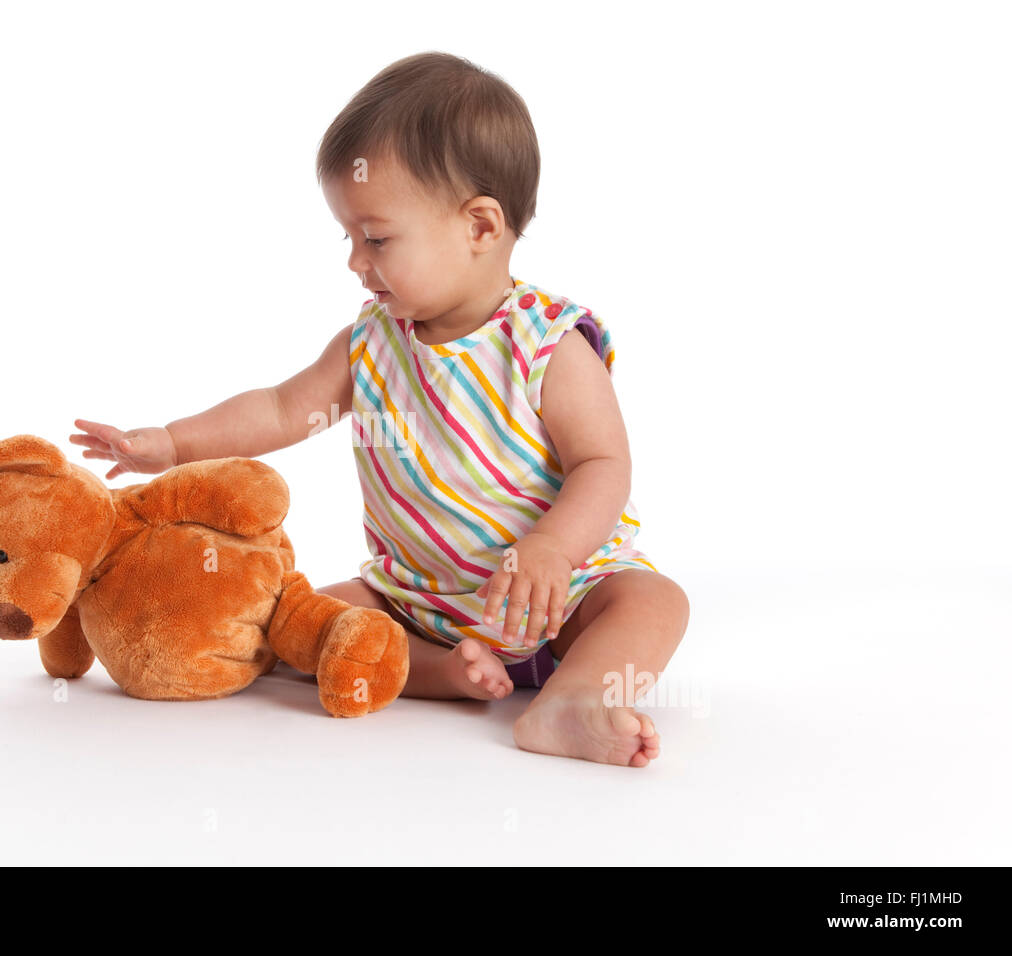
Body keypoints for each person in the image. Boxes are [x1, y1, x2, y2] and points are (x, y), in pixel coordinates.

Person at [71, 52, 689, 767]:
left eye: (377, 238)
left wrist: (552, 552)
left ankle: (578, 697)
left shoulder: (547, 342)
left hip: (560, 599)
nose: (355, 262)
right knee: (292, 617)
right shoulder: (370, 342)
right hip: (412, 598)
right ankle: (444, 672)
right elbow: (281, 406)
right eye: (349, 238)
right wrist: (173, 443)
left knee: (654, 601)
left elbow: (603, 464)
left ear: (481, 227)